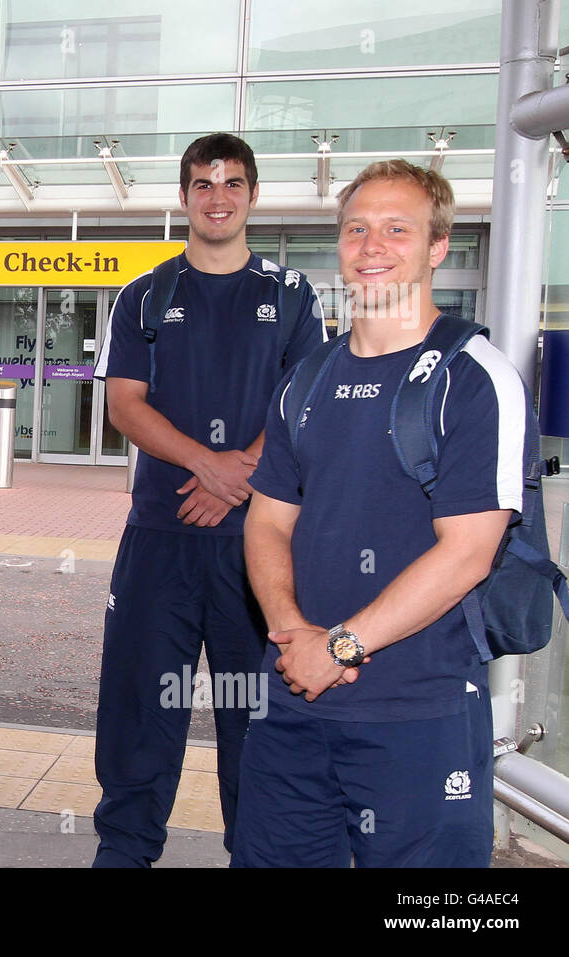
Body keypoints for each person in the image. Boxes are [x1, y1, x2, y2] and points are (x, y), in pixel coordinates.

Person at [236, 161, 528, 867]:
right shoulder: (306, 377)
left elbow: (467, 552)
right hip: (295, 700)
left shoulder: (474, 377)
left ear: (436, 247)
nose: (372, 245)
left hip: (419, 712)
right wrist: (291, 630)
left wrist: (338, 647)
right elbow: (267, 521)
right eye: (357, 228)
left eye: (397, 228)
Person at [92, 133, 326, 867]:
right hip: (160, 537)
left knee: (256, 717)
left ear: (253, 194)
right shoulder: (145, 295)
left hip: (261, 544)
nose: (217, 197)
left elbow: (305, 401)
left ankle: (254, 852)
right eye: (202, 183)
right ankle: (124, 851)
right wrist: (206, 464)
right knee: (138, 713)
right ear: (184, 195)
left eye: (231, 183)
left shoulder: (291, 297)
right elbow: (124, 405)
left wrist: (242, 476)